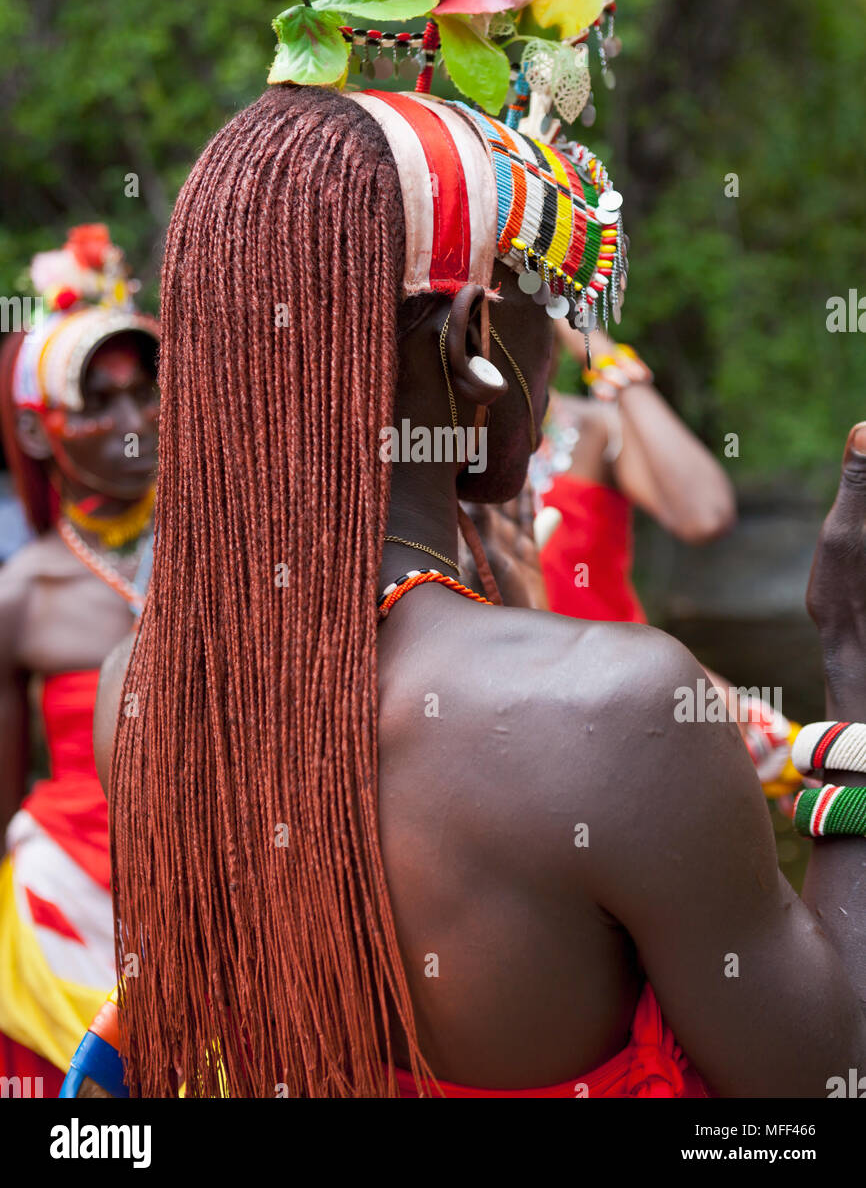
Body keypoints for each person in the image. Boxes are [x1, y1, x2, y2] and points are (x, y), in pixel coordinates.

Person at [90, 84, 866, 1099]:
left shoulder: (135, 689)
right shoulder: (610, 710)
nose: (559, 345)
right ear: (469, 344)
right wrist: (852, 663)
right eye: (552, 306)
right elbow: (829, 1081)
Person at [0, 226, 158, 1095]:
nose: (134, 425)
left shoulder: (236, 547)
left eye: (146, 392)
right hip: (64, 910)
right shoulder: (21, 594)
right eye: (99, 402)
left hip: (228, 894)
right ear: (38, 426)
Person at [530, 327, 736, 624]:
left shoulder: (598, 430)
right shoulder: (460, 443)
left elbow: (707, 515)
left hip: (610, 651)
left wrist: (597, 347)